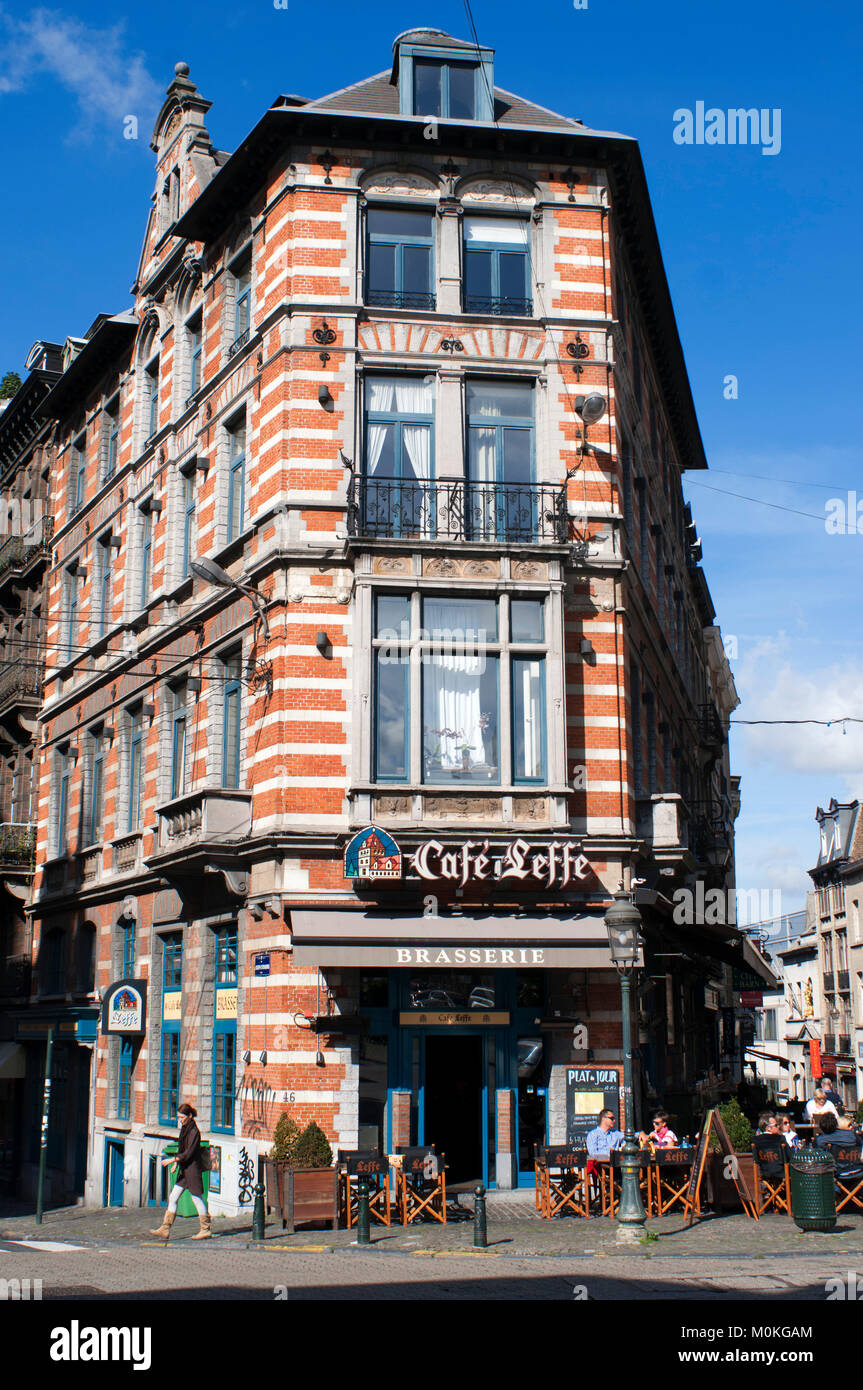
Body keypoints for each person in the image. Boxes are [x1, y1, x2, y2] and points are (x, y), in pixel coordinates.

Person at [150, 1102, 211, 1240]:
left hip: (193, 1171)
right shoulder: (184, 1129)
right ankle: (165, 1228)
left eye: (182, 1117)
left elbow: (188, 1153)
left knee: (196, 1198)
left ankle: (205, 1228)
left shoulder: (194, 1131)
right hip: (184, 1171)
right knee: (173, 1197)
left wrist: (172, 1160)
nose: (180, 1120)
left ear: (189, 1116)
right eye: (178, 1117)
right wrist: (176, 1164)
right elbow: (181, 1149)